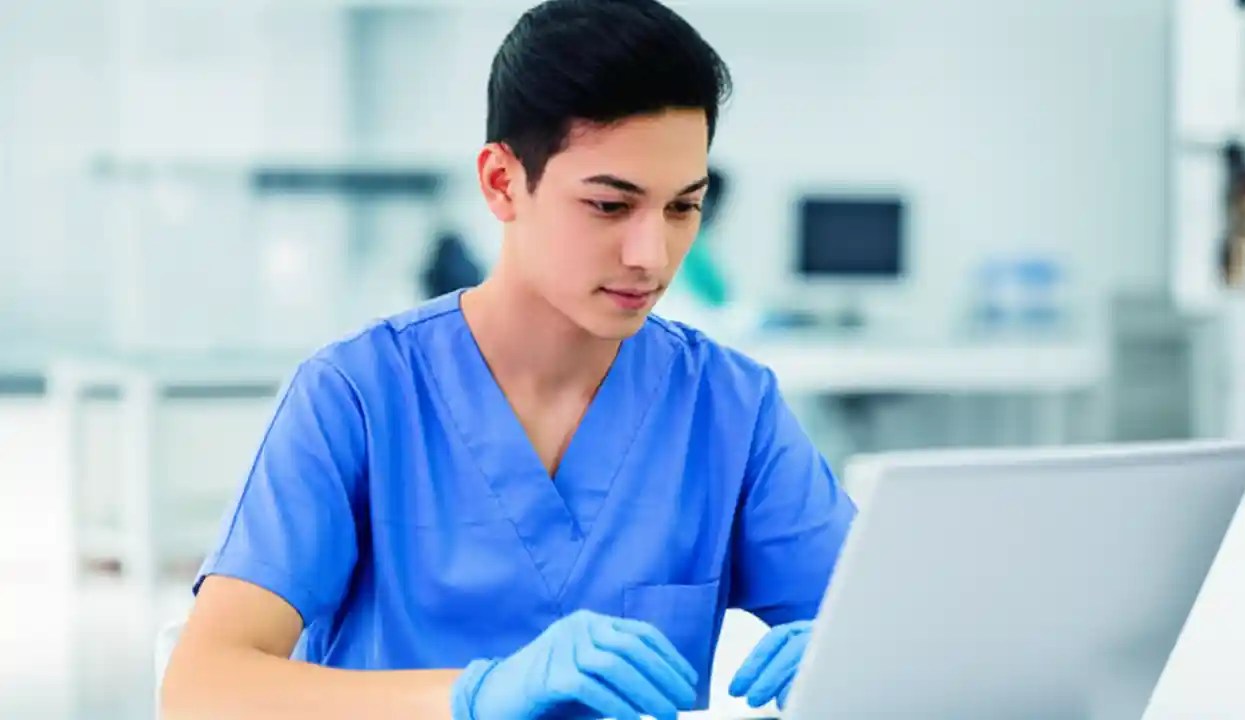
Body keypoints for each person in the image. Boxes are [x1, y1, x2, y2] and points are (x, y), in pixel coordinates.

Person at [160, 1, 855, 718]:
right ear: (501, 183)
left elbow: (889, 626)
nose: (652, 256)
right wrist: (476, 695)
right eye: (610, 206)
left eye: (682, 208)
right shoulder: (359, 396)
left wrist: (860, 662)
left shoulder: (728, 408)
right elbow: (203, 689)